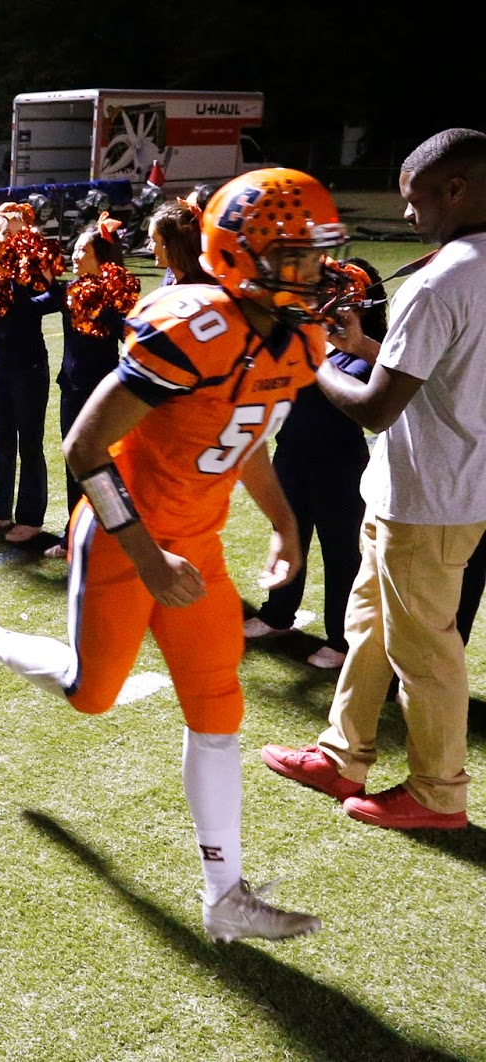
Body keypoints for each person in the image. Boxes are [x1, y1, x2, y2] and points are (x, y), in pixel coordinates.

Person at [0, 168, 345, 940]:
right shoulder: (194, 327)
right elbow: (83, 447)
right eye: (295, 257)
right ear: (243, 256)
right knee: (90, 694)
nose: (313, 273)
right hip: (122, 536)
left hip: (195, 540)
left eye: (315, 255)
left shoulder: (297, 339)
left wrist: (285, 525)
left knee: (218, 708)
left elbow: (249, 444)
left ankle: (224, 894)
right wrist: (146, 556)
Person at [262, 129, 486, 831]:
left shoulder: (441, 279)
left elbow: (376, 406)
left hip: (429, 495)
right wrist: (359, 347)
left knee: (426, 653)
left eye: (415, 199)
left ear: (454, 188)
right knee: (370, 628)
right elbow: (447, 374)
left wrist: (310, 356)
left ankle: (437, 792)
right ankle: (342, 753)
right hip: (434, 488)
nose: (410, 215)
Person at [244, 259, 384, 669]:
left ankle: (341, 639)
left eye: (332, 292)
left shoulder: (370, 343)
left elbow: (354, 395)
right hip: (291, 452)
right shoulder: (305, 334)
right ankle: (278, 614)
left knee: (340, 554)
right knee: (289, 534)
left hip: (339, 465)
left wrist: (316, 348)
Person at [32, 216, 137, 552]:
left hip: (101, 391)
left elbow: (131, 336)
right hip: (72, 388)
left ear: (101, 257)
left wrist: (110, 312)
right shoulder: (69, 290)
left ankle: (113, 535)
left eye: (82, 250)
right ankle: (74, 535)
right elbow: (36, 305)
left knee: (103, 466)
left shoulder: (114, 293)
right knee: (73, 462)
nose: (75, 255)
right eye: (75, 249)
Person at [0, 204, 56, 542]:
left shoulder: (34, 268)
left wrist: (12, 287)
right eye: (4, 228)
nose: (8, 234)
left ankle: (31, 517)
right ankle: (0, 509)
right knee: (0, 441)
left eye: (15, 228)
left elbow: (50, 302)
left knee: (30, 445)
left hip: (30, 364)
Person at [149, 196, 212, 287]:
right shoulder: (173, 275)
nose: (149, 247)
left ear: (171, 247)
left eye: (153, 240)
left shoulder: (194, 291)